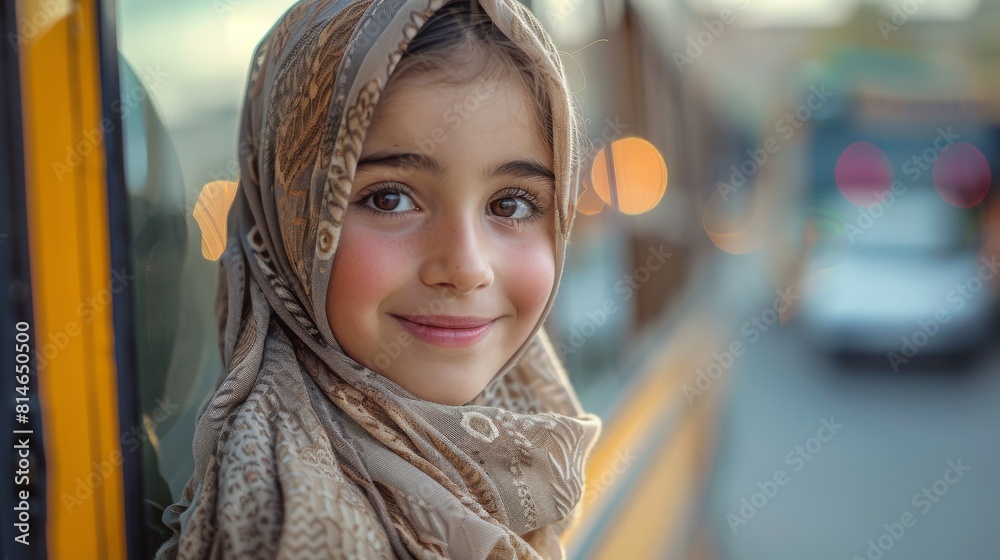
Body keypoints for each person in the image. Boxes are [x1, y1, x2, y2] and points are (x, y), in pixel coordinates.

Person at [157, 0, 601, 557]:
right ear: (291, 221)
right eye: (390, 199)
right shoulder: (284, 521)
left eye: (510, 205)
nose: (466, 268)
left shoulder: (526, 431)